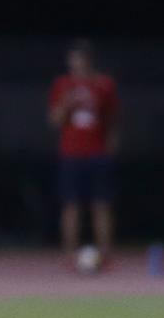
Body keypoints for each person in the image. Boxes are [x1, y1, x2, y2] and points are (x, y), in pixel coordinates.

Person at [47, 39, 119, 272]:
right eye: (73, 60)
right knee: (71, 205)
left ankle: (106, 254)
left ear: (89, 61)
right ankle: (69, 254)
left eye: (81, 60)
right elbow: (55, 120)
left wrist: (111, 150)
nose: (76, 65)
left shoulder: (104, 85)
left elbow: (113, 121)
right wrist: (67, 102)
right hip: (71, 154)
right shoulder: (62, 84)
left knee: (102, 204)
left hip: (97, 154)